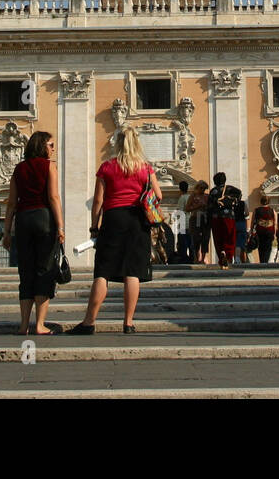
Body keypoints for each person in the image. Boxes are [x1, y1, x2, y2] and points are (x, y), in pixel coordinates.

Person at [69, 127, 164, 334]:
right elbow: (159, 195)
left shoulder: (107, 167)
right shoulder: (145, 168)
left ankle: (89, 322)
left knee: (102, 272)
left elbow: (98, 201)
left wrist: (95, 227)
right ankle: (128, 323)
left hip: (113, 219)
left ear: (117, 143)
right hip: (138, 220)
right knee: (132, 273)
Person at [2, 131, 65, 335]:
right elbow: (53, 197)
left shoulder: (19, 169)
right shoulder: (49, 166)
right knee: (44, 270)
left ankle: (23, 325)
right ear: (42, 146)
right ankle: (39, 324)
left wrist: (6, 231)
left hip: (23, 220)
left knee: (25, 271)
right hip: (44, 218)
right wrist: (61, 226)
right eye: (51, 145)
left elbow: (11, 203)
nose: (53, 148)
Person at [208, 172, 244, 269]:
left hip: (216, 218)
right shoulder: (230, 189)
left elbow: (209, 207)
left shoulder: (212, 192)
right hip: (229, 216)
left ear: (214, 181)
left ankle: (221, 253)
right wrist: (232, 202)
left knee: (218, 238)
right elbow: (239, 195)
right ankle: (227, 256)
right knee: (230, 237)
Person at [186, 180, 211, 265]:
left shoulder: (207, 197)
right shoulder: (193, 196)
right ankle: (196, 258)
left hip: (205, 219)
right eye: (201, 188)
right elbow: (187, 208)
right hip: (195, 218)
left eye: (204, 188)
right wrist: (198, 206)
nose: (203, 190)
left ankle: (203, 258)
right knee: (196, 239)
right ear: (197, 188)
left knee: (205, 238)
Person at [251, 193, 277, 263]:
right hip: (269, 231)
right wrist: (275, 234)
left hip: (260, 231)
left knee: (261, 247)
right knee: (268, 247)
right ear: (269, 202)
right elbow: (275, 223)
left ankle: (262, 261)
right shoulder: (272, 210)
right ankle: (266, 261)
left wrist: (251, 231)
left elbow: (253, 221)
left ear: (261, 201)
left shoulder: (256, 210)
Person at [173, 180, 192, 263]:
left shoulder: (182, 198)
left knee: (183, 244)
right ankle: (192, 259)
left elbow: (180, 212)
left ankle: (184, 260)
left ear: (180, 189)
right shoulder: (191, 197)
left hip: (184, 224)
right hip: (191, 223)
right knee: (191, 244)